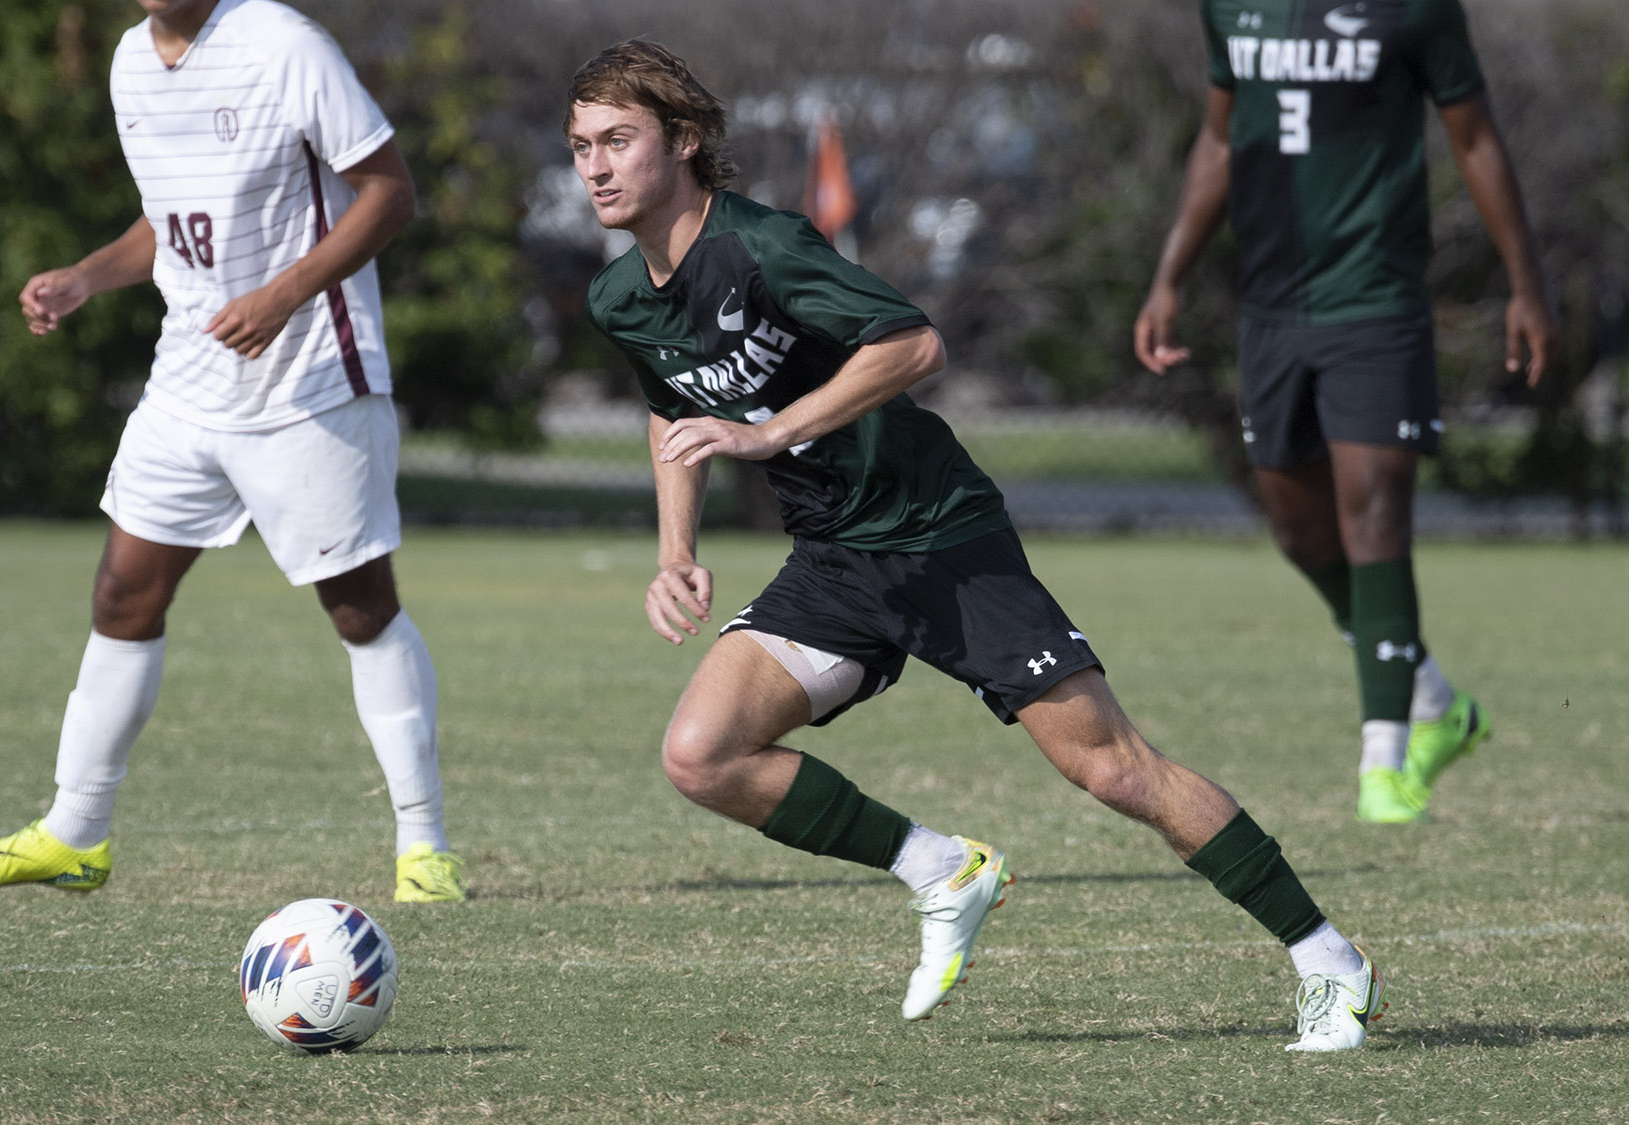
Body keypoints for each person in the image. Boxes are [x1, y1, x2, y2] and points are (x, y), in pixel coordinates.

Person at [567, 38, 1384, 1050]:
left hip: (939, 538)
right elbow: (673, 416)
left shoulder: (761, 247)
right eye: (579, 147)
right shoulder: (618, 300)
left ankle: (1325, 958)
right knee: (702, 754)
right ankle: (940, 868)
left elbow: (912, 345)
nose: (593, 167)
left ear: (682, 142)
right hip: (832, 556)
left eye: (617, 140)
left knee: (1113, 771)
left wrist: (771, 432)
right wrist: (674, 548)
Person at [0, 0, 465, 904]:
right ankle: (75, 833)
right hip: (188, 380)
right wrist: (86, 277)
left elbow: (391, 191)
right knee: (123, 592)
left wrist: (285, 293)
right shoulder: (131, 62)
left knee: (361, 609)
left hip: (311, 382)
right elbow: (170, 224)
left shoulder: (283, 45)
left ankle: (425, 847)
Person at [1134, 0, 1557, 823]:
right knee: (1299, 530)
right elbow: (1220, 137)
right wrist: (1170, 275)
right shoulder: (1231, 8)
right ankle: (1437, 699)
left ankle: (1384, 761)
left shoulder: (1414, 8)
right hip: (1270, 309)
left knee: (1373, 513)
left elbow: (1473, 137)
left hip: (1378, 303)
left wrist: (1527, 282)